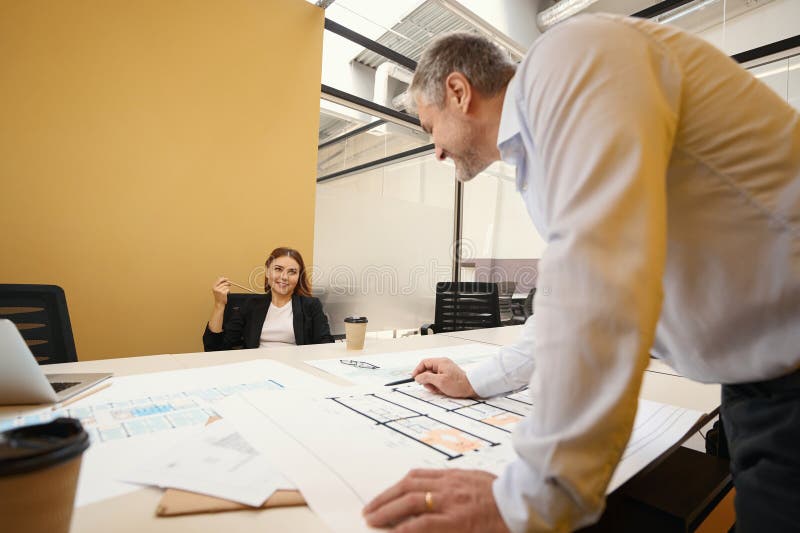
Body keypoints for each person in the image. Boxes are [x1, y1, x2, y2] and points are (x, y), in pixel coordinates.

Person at [362, 13, 800, 533]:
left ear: (458, 92)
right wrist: (477, 381)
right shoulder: (538, 158)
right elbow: (568, 299)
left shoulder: (569, 58)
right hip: (758, 385)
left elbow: (598, 279)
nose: (435, 150)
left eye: (430, 127)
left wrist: (532, 496)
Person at [203, 247, 333, 351]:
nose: (284, 277)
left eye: (292, 272)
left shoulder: (311, 305)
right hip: (257, 367)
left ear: (299, 276)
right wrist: (219, 305)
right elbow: (215, 348)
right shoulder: (250, 305)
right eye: (278, 269)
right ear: (267, 271)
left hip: (295, 368)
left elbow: (325, 344)